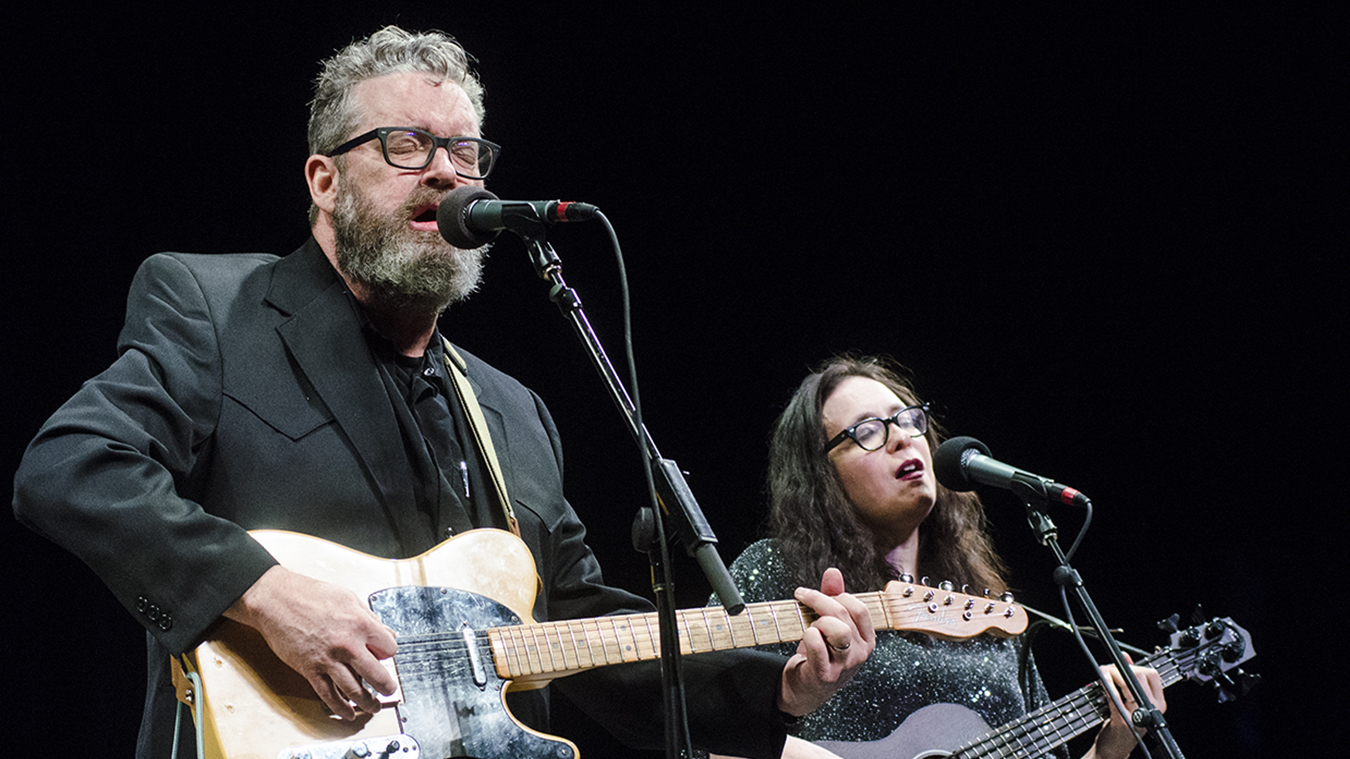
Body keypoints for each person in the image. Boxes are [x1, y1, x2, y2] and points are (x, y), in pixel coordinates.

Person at [11, 27, 873, 759]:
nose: (444, 172)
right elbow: (74, 467)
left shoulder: (514, 411)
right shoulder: (216, 308)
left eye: (464, 151)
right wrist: (265, 591)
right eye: (406, 144)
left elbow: (571, 623)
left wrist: (781, 689)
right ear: (324, 180)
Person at [712, 356, 1165, 759]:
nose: (901, 440)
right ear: (819, 475)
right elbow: (706, 728)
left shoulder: (986, 615)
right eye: (867, 432)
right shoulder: (779, 573)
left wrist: (1112, 747)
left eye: (909, 421)